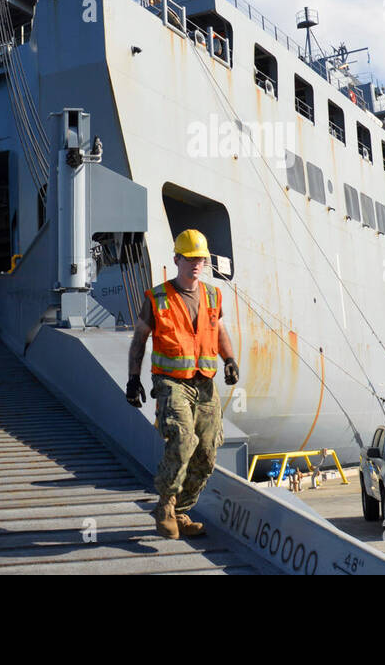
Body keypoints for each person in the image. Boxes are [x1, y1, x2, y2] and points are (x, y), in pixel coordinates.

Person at [127, 229, 240, 539]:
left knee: (207, 452)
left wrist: (229, 359)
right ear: (176, 259)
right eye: (189, 258)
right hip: (170, 384)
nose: (196, 264)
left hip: (205, 384)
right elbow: (139, 340)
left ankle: (181, 511)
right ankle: (165, 505)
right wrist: (133, 379)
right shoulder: (157, 297)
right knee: (182, 440)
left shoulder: (213, 295)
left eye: (200, 259)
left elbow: (219, 331)